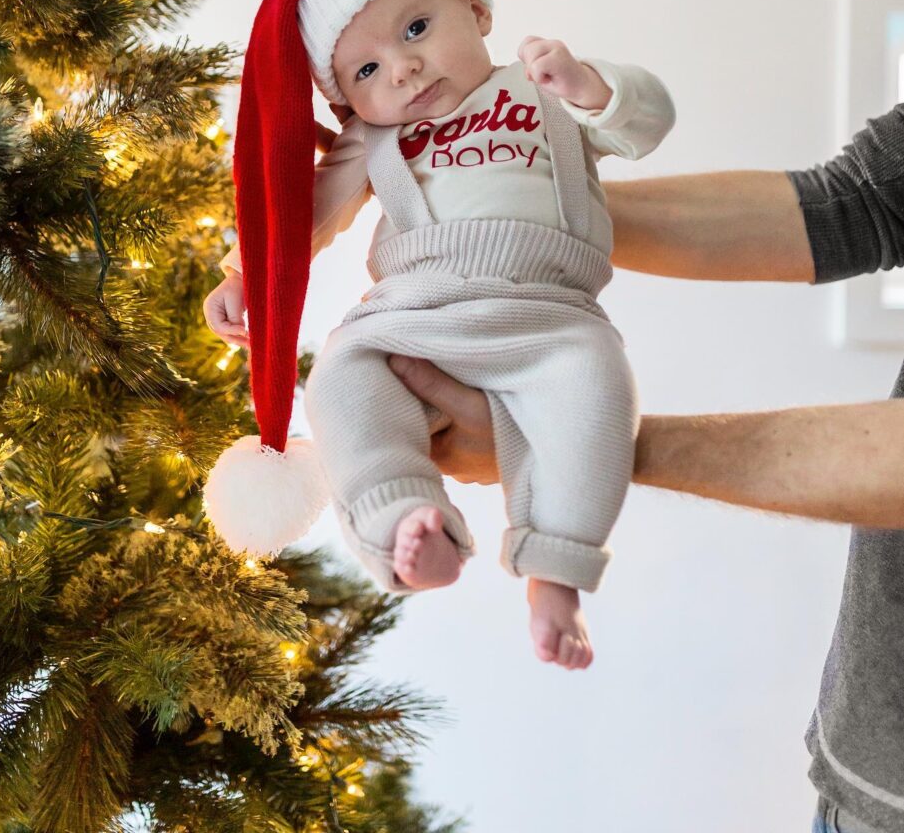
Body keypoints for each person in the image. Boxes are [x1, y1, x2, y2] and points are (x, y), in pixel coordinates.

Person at [202, 0, 675, 670]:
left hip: (550, 317)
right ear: (345, 99)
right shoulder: (372, 136)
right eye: (366, 70)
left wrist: (588, 83)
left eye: (416, 28)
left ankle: (555, 574)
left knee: (598, 397)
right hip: (415, 314)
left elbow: (646, 120)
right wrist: (244, 274)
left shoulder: (540, 87)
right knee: (343, 377)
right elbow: (299, 213)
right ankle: (405, 518)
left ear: (475, 10)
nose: (402, 68)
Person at [384, 135, 904, 833]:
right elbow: (863, 201)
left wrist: (564, 439)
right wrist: (502, 206)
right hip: (864, 774)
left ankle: (537, 564)